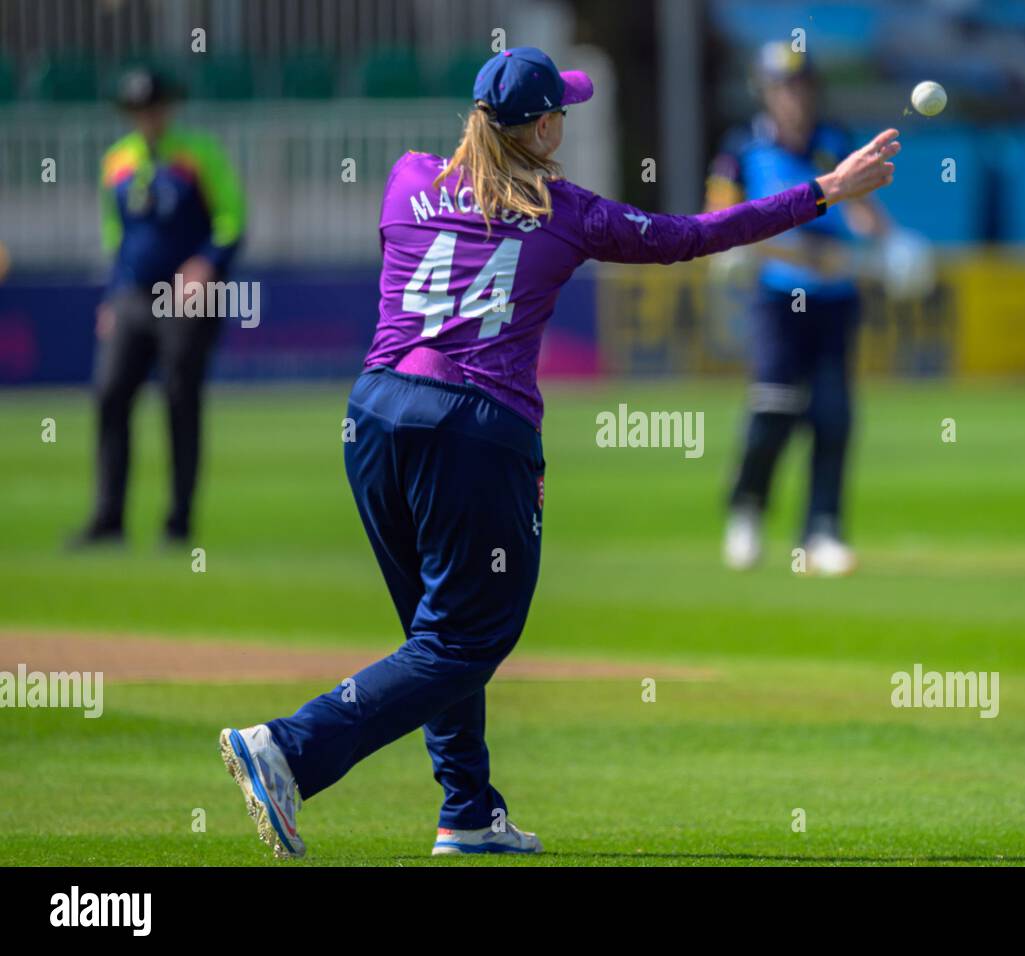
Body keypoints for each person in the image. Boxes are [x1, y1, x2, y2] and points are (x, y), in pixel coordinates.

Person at [219, 46, 900, 858]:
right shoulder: (566, 212)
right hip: (474, 430)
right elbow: (692, 236)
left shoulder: (407, 176)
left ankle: (467, 811)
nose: (566, 126)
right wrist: (822, 191)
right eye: (561, 115)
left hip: (371, 418)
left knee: (435, 635)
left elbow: (444, 234)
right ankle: (290, 747)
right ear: (541, 128)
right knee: (465, 641)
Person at [707, 43, 892, 576]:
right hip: (776, 298)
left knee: (833, 415)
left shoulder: (834, 141)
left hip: (835, 297)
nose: (795, 98)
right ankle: (747, 510)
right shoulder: (741, 150)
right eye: (784, 88)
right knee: (773, 409)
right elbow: (717, 213)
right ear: (765, 92)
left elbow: (862, 211)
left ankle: (823, 532)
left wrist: (894, 244)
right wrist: (735, 248)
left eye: (803, 86)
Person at [70, 67, 245, 547]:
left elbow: (231, 220)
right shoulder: (116, 164)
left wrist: (205, 265)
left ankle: (178, 521)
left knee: (179, 398)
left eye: (155, 106)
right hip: (130, 296)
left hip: (186, 297)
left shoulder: (198, 154)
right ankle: (108, 519)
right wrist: (112, 297)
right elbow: (116, 238)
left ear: (168, 107)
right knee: (109, 393)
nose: (148, 116)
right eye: (139, 109)